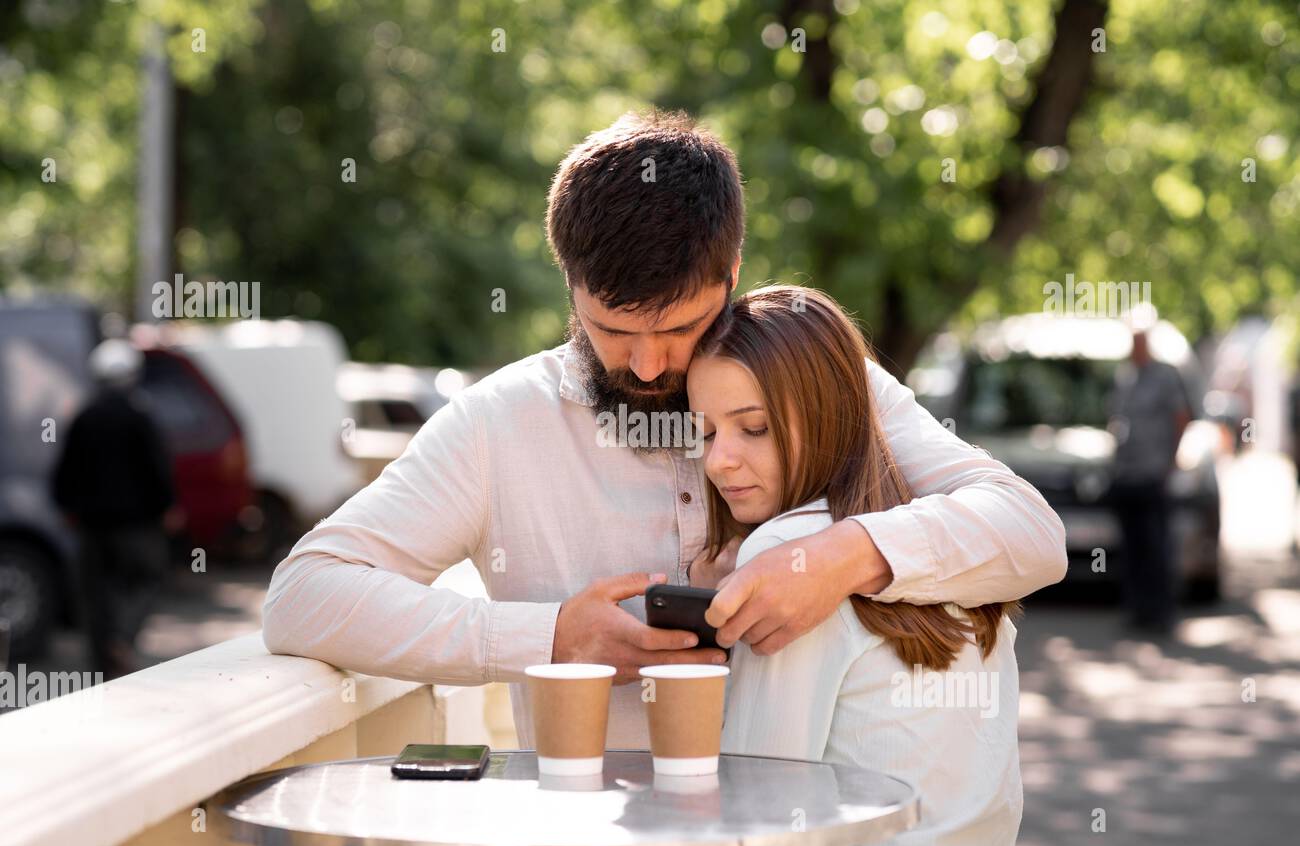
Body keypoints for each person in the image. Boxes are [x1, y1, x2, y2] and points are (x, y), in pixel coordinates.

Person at [261, 109, 1068, 751]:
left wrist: (843, 557)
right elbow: (304, 596)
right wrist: (547, 635)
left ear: (733, 275)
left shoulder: (822, 384)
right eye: (614, 331)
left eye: (681, 328)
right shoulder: (498, 423)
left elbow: (1030, 532)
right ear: (569, 284)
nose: (649, 367)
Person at [687, 286, 1024, 846]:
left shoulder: (788, 549)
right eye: (708, 432)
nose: (720, 460)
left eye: (755, 428)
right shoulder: (939, 534)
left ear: (826, 416)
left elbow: (756, 813)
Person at [52, 338, 178, 679]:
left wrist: (68, 508)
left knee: (95, 598)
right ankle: (122, 639)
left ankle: (101, 668)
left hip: (92, 528)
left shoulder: (83, 418)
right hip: (137, 527)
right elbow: (158, 469)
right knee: (147, 578)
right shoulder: (140, 417)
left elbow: (63, 474)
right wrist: (167, 507)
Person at [1105, 306, 1193, 636]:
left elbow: (1181, 418)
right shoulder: (1125, 377)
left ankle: (1162, 610)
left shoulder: (1165, 375)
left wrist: (1171, 461)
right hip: (1126, 475)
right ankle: (1138, 608)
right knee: (1133, 546)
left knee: (1157, 545)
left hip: (1153, 474)